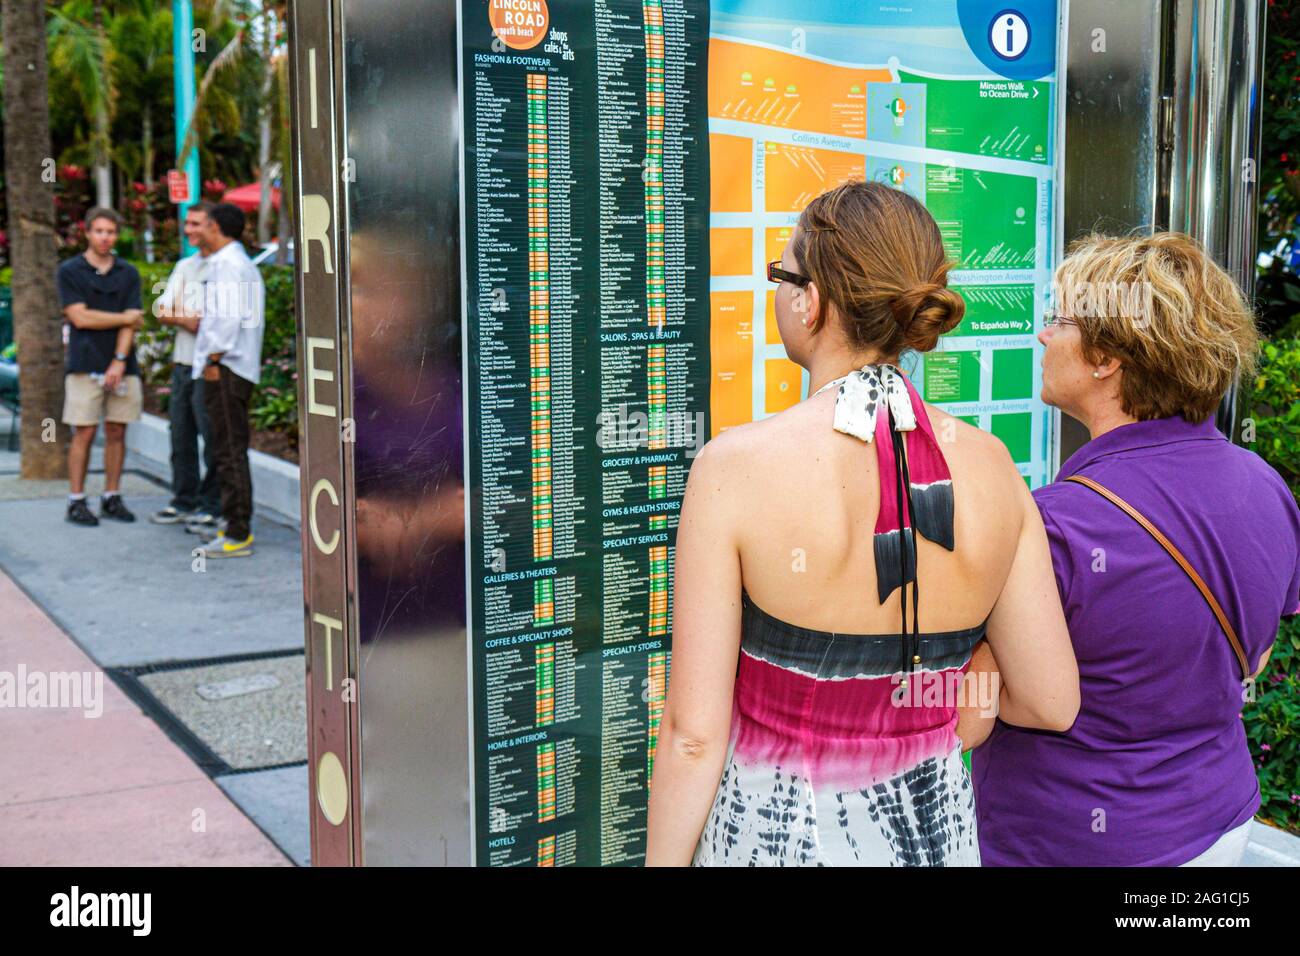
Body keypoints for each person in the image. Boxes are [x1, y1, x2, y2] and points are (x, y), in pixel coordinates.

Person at [644, 181, 1080, 866]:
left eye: (780, 275)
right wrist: (918, 716)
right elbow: (1051, 700)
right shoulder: (994, 469)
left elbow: (693, 736)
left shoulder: (732, 467)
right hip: (933, 840)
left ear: (809, 300)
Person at [969, 232, 1300, 867]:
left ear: (1105, 358)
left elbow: (998, 708)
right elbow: (1253, 659)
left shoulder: (1054, 524)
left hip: (1066, 842)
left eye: (1059, 319)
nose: (1043, 336)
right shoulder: (1265, 485)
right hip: (1220, 823)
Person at [56, 208, 144, 526]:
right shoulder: (70, 270)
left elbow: (132, 324)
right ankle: (76, 500)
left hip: (122, 364)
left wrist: (119, 361)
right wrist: (124, 317)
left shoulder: (128, 273)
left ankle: (112, 496)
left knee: (118, 431)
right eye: (99, 231)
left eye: (111, 232)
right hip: (83, 363)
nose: (105, 237)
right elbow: (79, 316)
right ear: (88, 233)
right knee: (84, 432)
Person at [191, 202, 265, 559]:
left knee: (229, 450)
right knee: (226, 447)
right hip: (232, 366)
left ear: (216, 226)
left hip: (228, 368)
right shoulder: (233, 263)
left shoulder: (230, 265)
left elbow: (227, 317)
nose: (196, 229)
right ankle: (232, 524)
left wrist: (213, 358)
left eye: (202, 223)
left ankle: (238, 532)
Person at [150, 202, 221, 527]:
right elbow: (160, 310)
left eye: (195, 224)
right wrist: (185, 316)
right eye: (187, 224)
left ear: (212, 226)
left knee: (213, 437)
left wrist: (183, 314)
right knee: (180, 435)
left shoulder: (225, 267)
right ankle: (184, 501)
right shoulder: (184, 266)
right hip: (182, 365)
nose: (188, 229)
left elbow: (210, 321)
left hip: (209, 365)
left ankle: (213, 506)